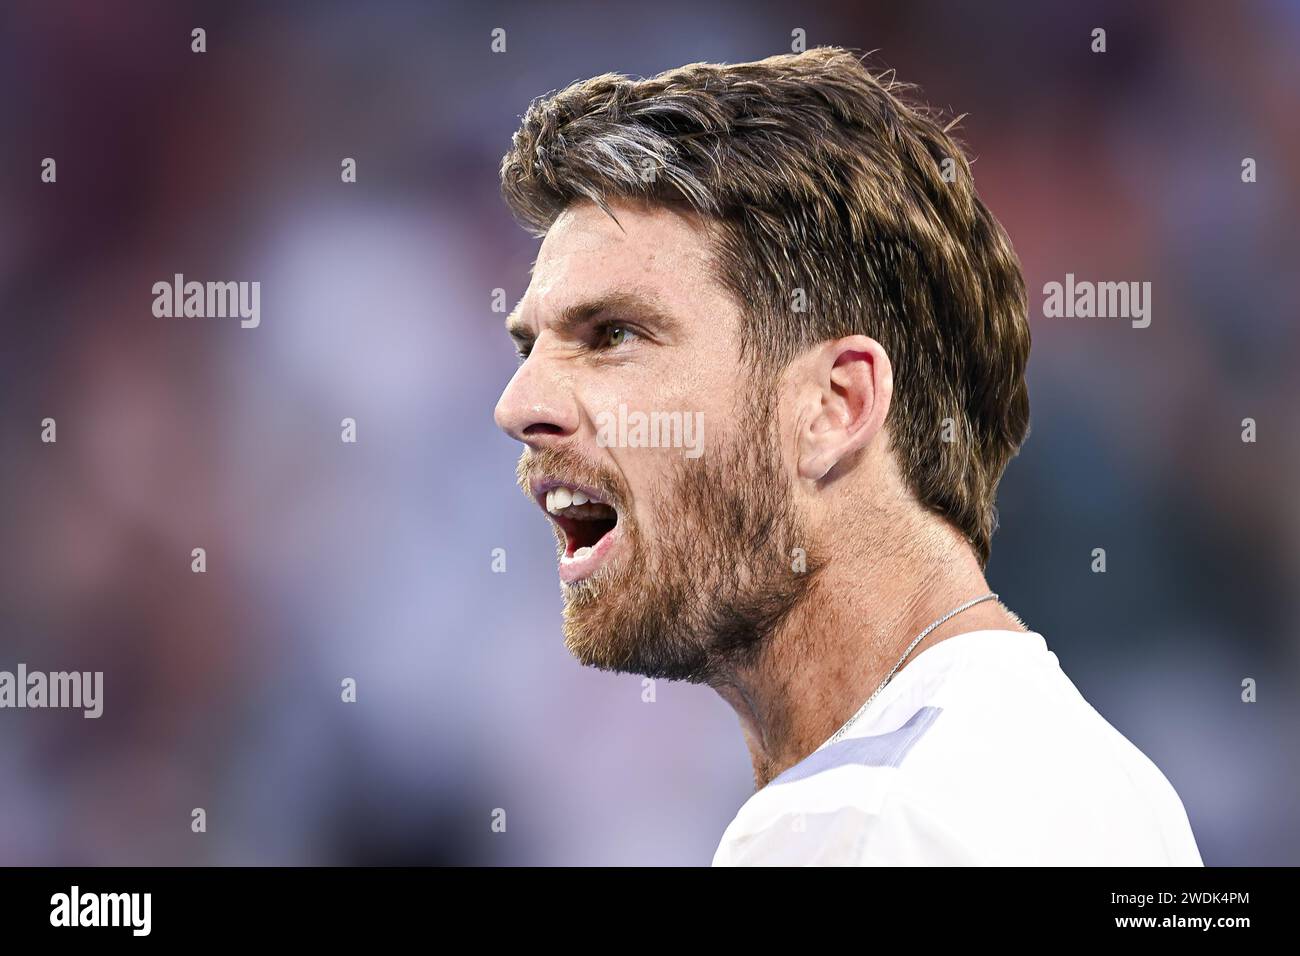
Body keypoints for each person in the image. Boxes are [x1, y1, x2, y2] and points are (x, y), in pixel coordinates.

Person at [492, 47, 1203, 865]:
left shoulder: (855, 823)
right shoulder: (1112, 784)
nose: (519, 407)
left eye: (613, 335)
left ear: (836, 406)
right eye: (528, 349)